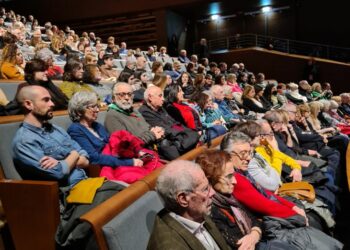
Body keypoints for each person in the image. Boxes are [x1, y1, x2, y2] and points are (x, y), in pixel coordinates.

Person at [219, 132, 343, 249]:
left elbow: (266, 192)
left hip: (274, 209)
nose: (248, 158)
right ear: (227, 155)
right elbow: (265, 204)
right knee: (312, 223)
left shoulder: (243, 172)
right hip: (265, 226)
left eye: (249, 153)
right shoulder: (235, 178)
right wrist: (295, 215)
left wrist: (293, 208)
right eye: (243, 153)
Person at [196, 150, 298, 250]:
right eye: (229, 176)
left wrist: (254, 234)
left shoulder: (229, 198)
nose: (235, 181)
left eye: (234, 175)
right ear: (211, 179)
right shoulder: (211, 209)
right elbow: (239, 243)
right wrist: (256, 232)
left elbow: (256, 220)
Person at [12, 86, 89, 187]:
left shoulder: (56, 129)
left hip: (87, 183)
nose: (52, 104)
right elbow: (58, 172)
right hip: (67, 195)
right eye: (46, 100)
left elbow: (85, 157)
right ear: (28, 104)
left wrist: (65, 162)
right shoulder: (24, 141)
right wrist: (74, 154)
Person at [147, 160, 230, 250]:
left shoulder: (196, 212)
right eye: (205, 189)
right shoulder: (170, 246)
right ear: (183, 199)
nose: (212, 193)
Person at [67, 91, 142, 169]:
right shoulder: (75, 130)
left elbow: (113, 144)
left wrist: (136, 151)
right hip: (100, 169)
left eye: (97, 106)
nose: (97, 110)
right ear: (79, 111)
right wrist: (128, 162)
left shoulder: (96, 125)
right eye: (92, 107)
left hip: (114, 162)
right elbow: (93, 158)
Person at [139, 86, 200, 158]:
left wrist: (187, 132)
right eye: (160, 96)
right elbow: (164, 129)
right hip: (169, 139)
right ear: (150, 97)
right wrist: (184, 134)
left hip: (179, 135)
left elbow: (174, 122)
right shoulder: (144, 112)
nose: (163, 99)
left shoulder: (160, 107)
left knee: (194, 135)